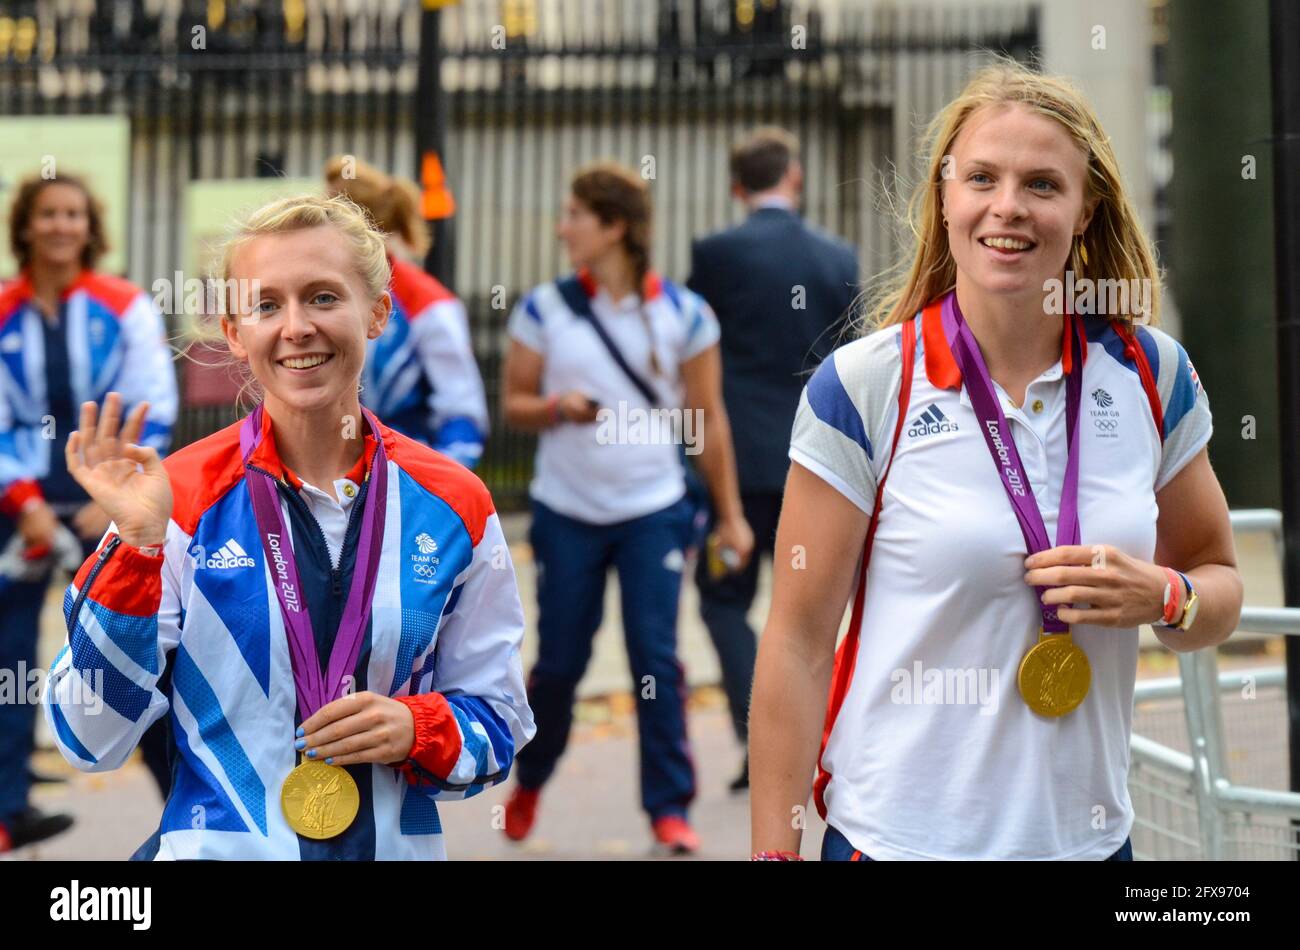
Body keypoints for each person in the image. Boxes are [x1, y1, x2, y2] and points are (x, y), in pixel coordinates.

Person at [749, 61, 1243, 861]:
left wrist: (1166, 595)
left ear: (1085, 211)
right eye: (981, 177)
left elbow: (1216, 584)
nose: (1007, 207)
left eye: (1043, 184)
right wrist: (775, 852)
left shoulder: (1153, 375)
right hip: (896, 843)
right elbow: (798, 643)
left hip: (1088, 846)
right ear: (945, 199)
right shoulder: (867, 385)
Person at [43, 193, 534, 860]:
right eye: (267, 305)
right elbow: (86, 737)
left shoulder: (455, 502)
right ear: (235, 331)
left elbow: (501, 721)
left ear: (378, 313)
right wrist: (137, 554)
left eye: (324, 297)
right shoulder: (175, 501)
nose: (297, 326)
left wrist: (418, 727)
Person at [499, 161, 754, 854]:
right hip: (568, 511)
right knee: (560, 663)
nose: (562, 227)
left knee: (656, 657)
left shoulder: (684, 313)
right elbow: (514, 402)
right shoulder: (544, 309)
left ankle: (670, 809)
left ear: (613, 227)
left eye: (575, 215)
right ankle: (531, 778)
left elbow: (709, 419)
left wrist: (730, 513)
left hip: (654, 510)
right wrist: (557, 408)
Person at [0, 172, 178, 852]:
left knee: (136, 649)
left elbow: (153, 403)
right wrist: (27, 504)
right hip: (21, 508)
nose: (61, 226)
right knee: (9, 660)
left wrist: (116, 488)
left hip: (113, 502)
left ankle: (187, 805)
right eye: (48, 213)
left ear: (89, 226)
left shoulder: (124, 303)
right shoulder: (4, 307)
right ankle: (9, 807)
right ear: (27, 223)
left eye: (73, 214)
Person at [686, 127, 859, 791]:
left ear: (737, 186)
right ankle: (815, 737)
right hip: (821, 466)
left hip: (737, 467)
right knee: (814, 613)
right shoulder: (837, 254)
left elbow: (691, 352)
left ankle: (758, 732)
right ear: (796, 177)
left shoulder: (715, 254)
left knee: (724, 603)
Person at [324, 155, 489, 469]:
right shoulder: (315, 291)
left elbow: (463, 413)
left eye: (327, 215)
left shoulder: (427, 304)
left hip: (403, 475)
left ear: (360, 227)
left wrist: (435, 493)